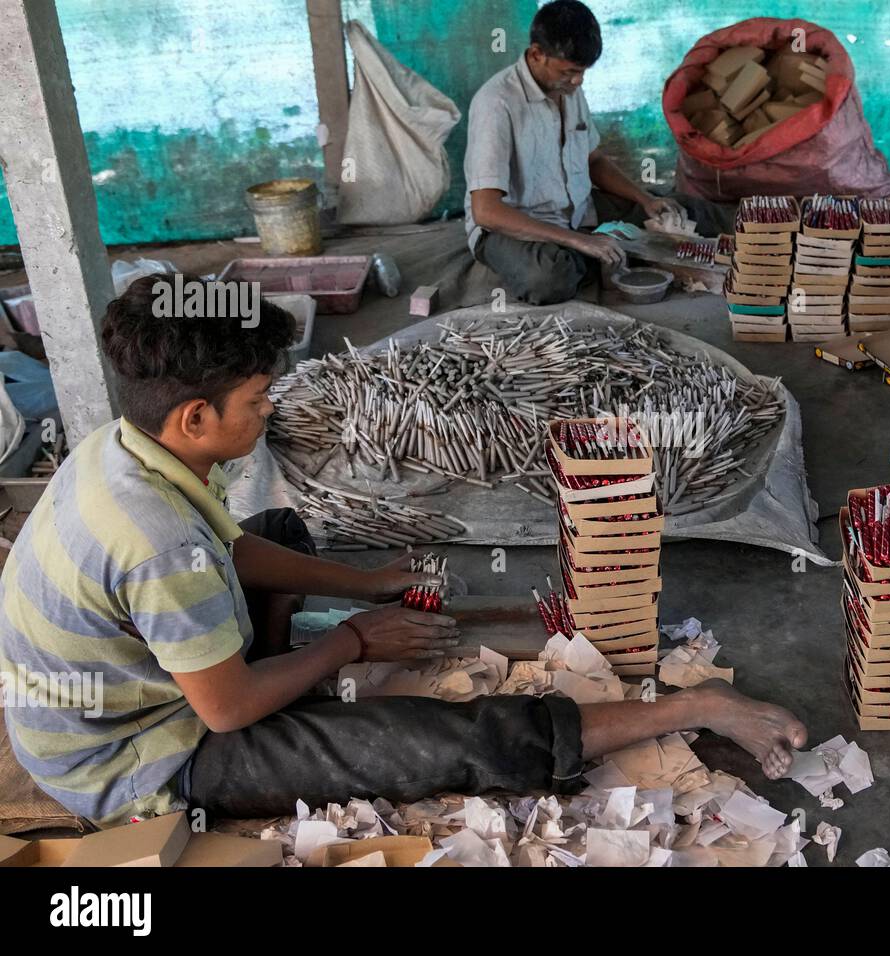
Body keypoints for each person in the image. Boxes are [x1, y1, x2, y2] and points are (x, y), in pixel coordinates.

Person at [0, 276, 806, 827]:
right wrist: (352, 639)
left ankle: (293, 657)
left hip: (135, 686)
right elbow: (227, 710)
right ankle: (692, 708)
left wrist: (364, 582)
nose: (270, 410)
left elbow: (234, 550)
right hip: (142, 763)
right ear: (195, 420)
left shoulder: (123, 445)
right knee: (429, 741)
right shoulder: (155, 538)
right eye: (255, 400)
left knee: (277, 539)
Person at [464, 0, 729, 305]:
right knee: (549, 279)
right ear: (537, 54)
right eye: (570, 72)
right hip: (513, 225)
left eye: (583, 72)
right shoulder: (496, 103)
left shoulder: (569, 91)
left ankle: (617, 247)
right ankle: (618, 249)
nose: (578, 81)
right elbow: (487, 211)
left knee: (682, 210)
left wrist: (646, 199)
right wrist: (582, 241)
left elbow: (595, 160)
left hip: (578, 210)